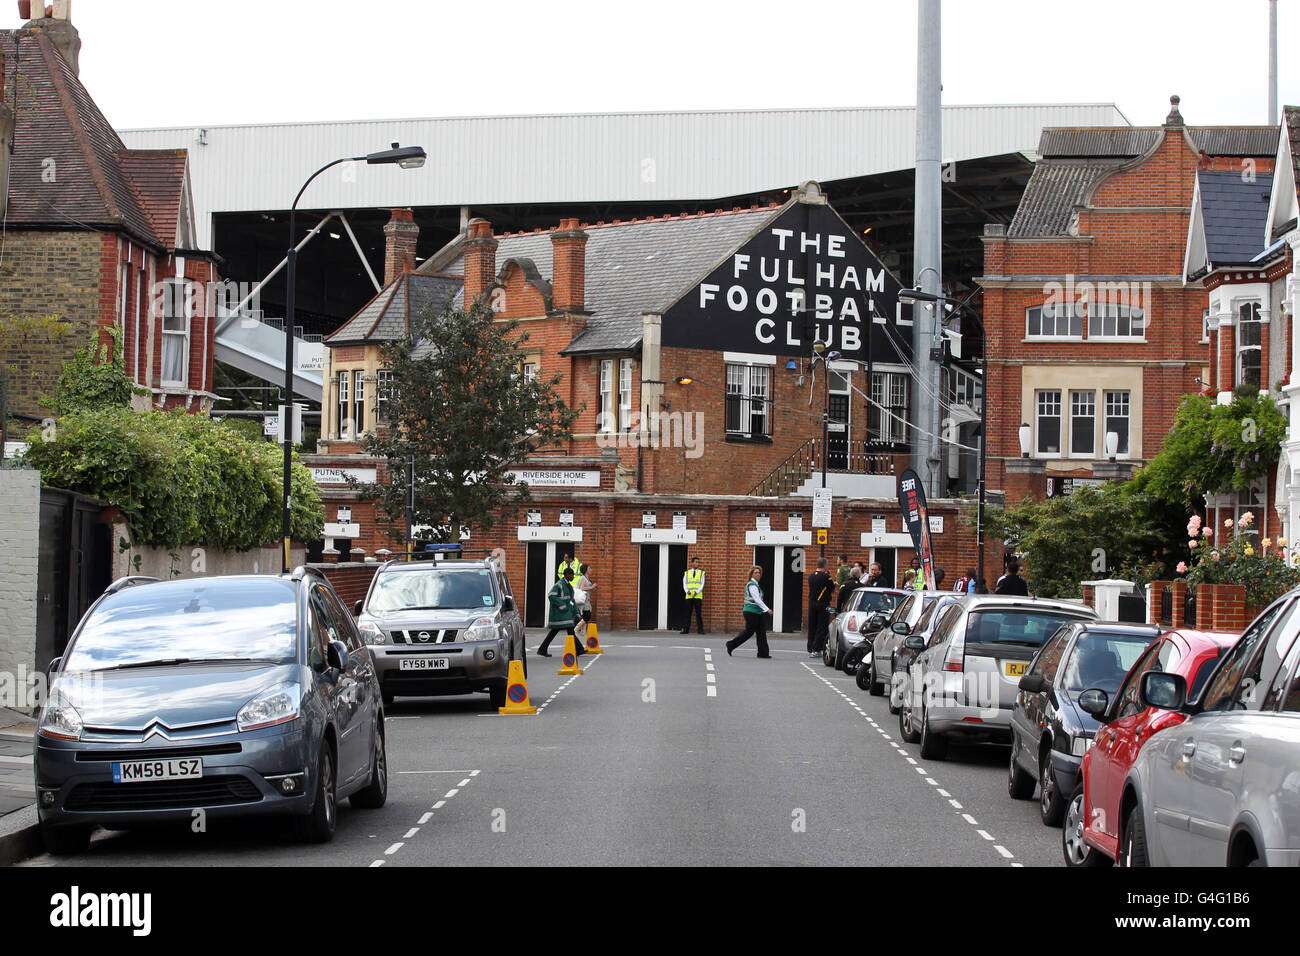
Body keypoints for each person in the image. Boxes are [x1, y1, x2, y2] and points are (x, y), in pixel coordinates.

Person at [538, 568, 586, 657]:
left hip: (565, 614)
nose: (573, 576)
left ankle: (542, 649)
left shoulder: (568, 586)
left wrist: (577, 613)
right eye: (571, 575)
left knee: (563, 631)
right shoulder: (559, 585)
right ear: (567, 575)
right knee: (567, 631)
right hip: (559, 614)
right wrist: (562, 606)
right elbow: (551, 596)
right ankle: (579, 649)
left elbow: (572, 601)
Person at [725, 566, 771, 658]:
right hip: (751, 612)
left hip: (758, 612)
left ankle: (763, 653)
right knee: (749, 631)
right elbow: (757, 599)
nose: (758, 574)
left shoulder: (756, 585)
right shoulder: (752, 585)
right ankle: (731, 644)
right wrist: (767, 609)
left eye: (759, 572)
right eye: (755, 572)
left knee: (761, 632)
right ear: (751, 575)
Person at [807, 557, 833, 658]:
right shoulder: (826, 577)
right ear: (825, 565)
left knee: (812, 625)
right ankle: (817, 649)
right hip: (822, 604)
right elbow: (831, 587)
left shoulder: (811, 576)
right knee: (822, 627)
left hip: (812, 603)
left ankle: (810, 647)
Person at [680, 556, 706, 634]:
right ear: (692, 563)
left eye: (698, 562)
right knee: (687, 614)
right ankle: (685, 629)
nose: (697, 564)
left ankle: (700, 630)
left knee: (698, 614)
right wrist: (687, 591)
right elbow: (684, 583)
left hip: (697, 596)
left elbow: (702, 584)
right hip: (689, 596)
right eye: (696, 562)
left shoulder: (702, 573)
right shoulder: (687, 573)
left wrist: (697, 592)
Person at [575, 563, 596, 640]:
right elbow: (582, 588)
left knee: (586, 615)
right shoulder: (583, 578)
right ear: (586, 570)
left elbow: (588, 589)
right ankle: (577, 629)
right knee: (587, 616)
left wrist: (592, 588)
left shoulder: (587, 578)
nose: (591, 570)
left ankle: (583, 631)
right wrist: (592, 586)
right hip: (584, 601)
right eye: (589, 568)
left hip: (587, 600)